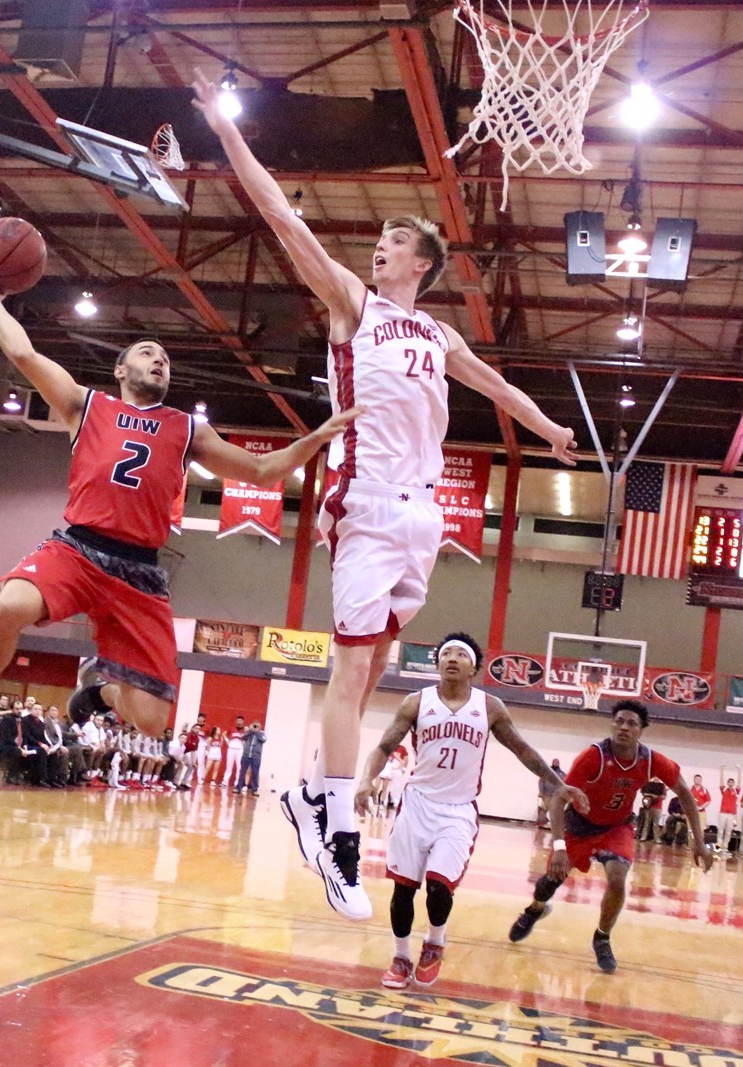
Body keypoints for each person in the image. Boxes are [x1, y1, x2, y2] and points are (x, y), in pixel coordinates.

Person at [192, 68, 581, 922]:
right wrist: (227, 137)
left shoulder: (437, 332)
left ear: (426, 264)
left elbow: (497, 386)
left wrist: (549, 430)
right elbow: (284, 222)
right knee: (348, 667)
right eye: (378, 239)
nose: (379, 246)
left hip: (422, 515)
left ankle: (308, 802)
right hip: (363, 499)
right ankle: (333, 836)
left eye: (395, 241)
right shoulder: (353, 305)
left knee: (371, 671)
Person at [0, 253, 361, 772]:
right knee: (8, 606)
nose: (159, 360)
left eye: (165, 357)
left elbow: (259, 472)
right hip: (77, 548)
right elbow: (24, 354)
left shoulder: (187, 429)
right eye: (147, 352)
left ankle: (98, 695)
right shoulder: (86, 405)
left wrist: (316, 439)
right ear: (120, 369)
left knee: (152, 722)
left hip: (138, 571)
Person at [361, 633, 583, 989]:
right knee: (402, 890)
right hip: (416, 805)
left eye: (460, 654)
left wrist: (557, 783)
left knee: (438, 888)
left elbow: (522, 750)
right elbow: (384, 746)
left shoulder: (490, 707)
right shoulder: (415, 703)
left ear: (474, 668)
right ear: (437, 664)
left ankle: (435, 943)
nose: (451, 658)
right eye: (445, 652)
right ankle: (401, 956)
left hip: (458, 811)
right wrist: (365, 781)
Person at [507, 700, 712, 973]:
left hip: (617, 828)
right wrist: (558, 847)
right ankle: (535, 909)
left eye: (631, 723)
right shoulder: (593, 756)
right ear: (612, 724)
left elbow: (685, 793)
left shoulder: (651, 760)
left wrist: (699, 842)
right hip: (579, 825)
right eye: (619, 721)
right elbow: (559, 799)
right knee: (549, 883)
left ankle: (602, 937)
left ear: (641, 731)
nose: (624, 727)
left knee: (617, 879)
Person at [237, 720, 266, 795]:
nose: (255, 727)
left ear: (260, 727)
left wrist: (257, 732)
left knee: (255, 773)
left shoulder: (262, 733)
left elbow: (264, 739)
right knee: (242, 772)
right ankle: (238, 787)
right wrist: (250, 731)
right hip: (246, 755)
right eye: (254, 725)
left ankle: (255, 789)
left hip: (256, 756)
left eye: (257, 726)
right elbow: (243, 737)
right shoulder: (249, 733)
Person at [716, 777, 740, 854]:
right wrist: (722, 769)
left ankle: (725, 847)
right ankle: (718, 847)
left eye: (732, 782)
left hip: (731, 814)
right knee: (720, 830)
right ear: (727, 783)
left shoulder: (736, 791)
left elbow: (739, 782)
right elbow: (721, 782)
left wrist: (739, 770)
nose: (730, 783)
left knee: (728, 832)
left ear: (733, 784)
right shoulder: (724, 790)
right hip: (722, 813)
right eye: (729, 782)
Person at [223, 716, 246, 794]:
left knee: (239, 767)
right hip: (231, 748)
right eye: (238, 720)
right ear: (236, 721)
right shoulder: (231, 728)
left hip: (240, 749)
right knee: (229, 766)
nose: (239, 722)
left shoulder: (245, 730)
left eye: (241, 720)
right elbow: (224, 734)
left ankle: (237, 783)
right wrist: (227, 741)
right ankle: (225, 782)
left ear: (243, 721)